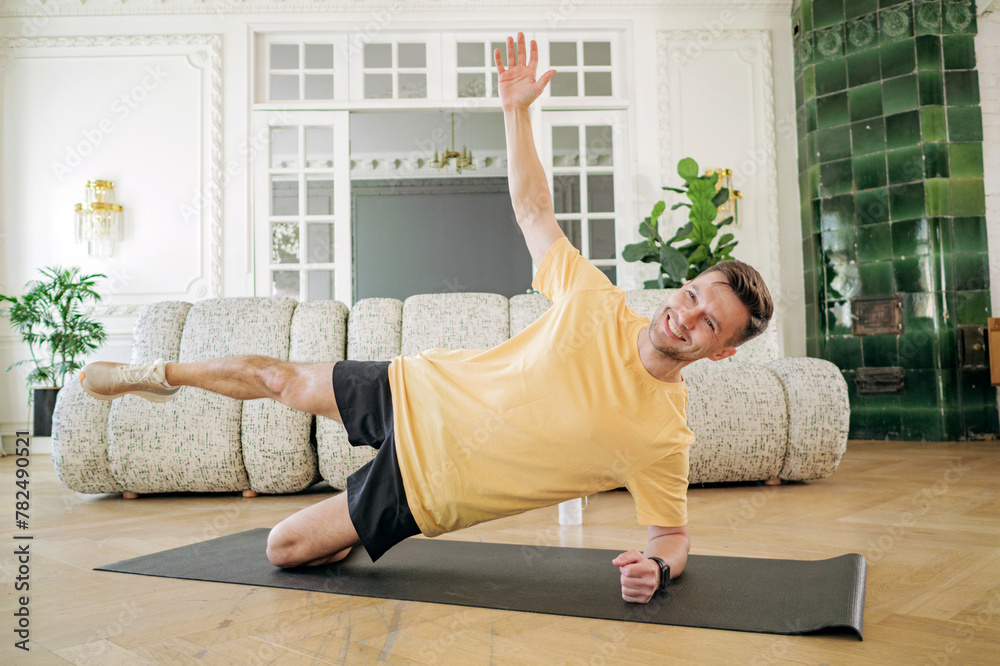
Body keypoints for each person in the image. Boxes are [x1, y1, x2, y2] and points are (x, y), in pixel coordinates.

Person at [80, 32, 773, 605]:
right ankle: (156, 371)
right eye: (692, 297)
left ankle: (349, 521)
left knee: (283, 549)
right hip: (418, 391)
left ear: (721, 353)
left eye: (710, 324)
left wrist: (661, 568)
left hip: (427, 490)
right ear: (682, 287)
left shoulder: (662, 437)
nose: (686, 318)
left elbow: (670, 536)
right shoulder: (595, 298)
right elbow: (534, 210)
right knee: (278, 375)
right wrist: (516, 112)